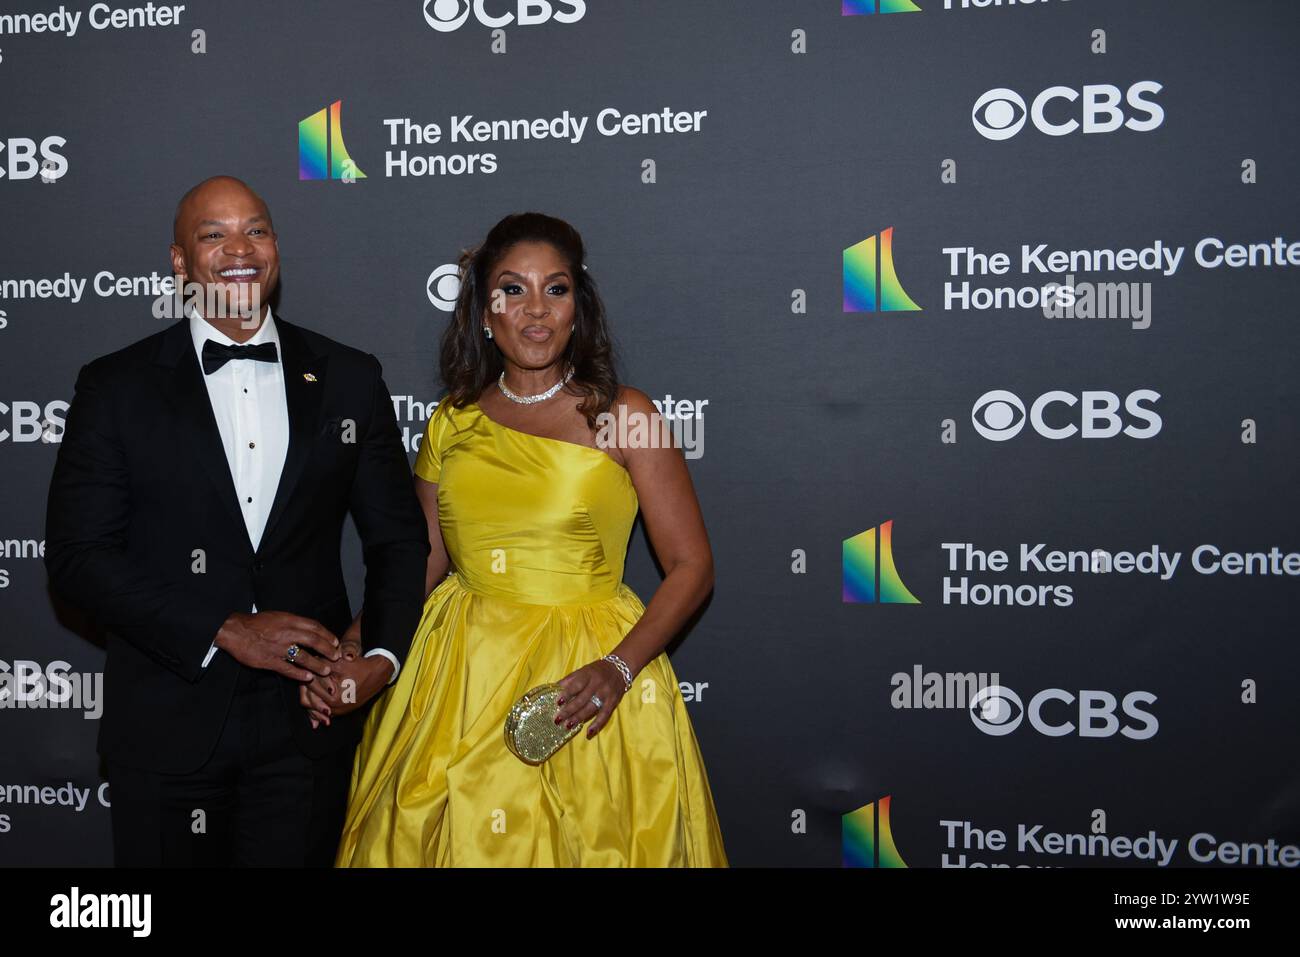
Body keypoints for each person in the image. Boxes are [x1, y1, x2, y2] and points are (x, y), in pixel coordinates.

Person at [44, 176, 429, 866]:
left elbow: (399, 541)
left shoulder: (348, 377)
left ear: (276, 246)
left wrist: (380, 655)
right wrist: (225, 629)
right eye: (212, 234)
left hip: (308, 725)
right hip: (166, 720)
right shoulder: (115, 386)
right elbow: (78, 555)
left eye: (255, 229)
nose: (238, 249)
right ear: (180, 262)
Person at [333, 212, 727, 866]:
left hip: (587, 677)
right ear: (484, 313)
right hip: (458, 678)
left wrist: (619, 667)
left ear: (580, 307)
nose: (536, 309)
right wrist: (354, 642)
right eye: (512, 290)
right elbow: (419, 561)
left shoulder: (627, 416)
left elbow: (692, 564)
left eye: (557, 288)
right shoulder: (451, 422)